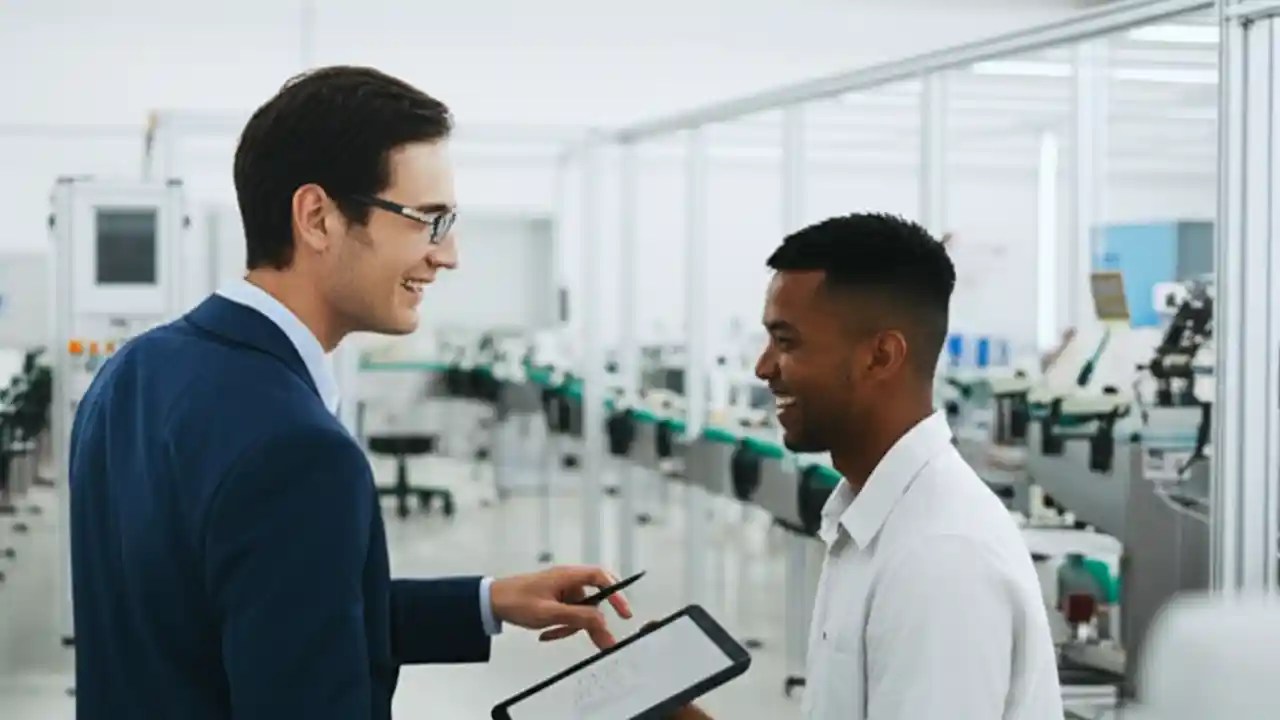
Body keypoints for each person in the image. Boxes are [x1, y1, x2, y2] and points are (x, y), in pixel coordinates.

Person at [68, 66, 630, 720]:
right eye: (428, 220)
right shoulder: (298, 449)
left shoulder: (133, 371)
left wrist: (488, 599)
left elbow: (261, 612)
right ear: (318, 218)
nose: (447, 256)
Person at [668, 214, 1062, 718]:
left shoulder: (938, 557)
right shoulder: (872, 519)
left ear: (881, 356)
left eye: (786, 342)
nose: (763, 367)